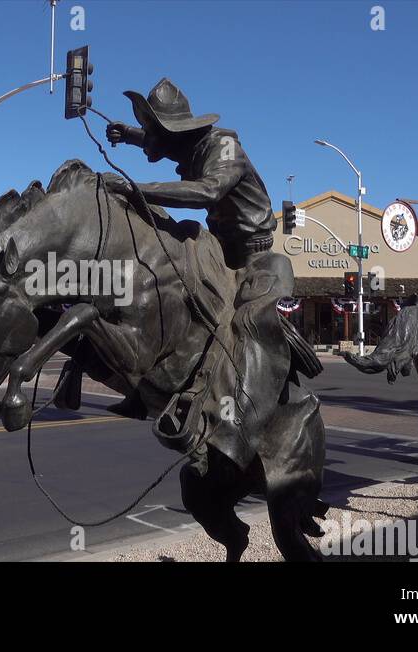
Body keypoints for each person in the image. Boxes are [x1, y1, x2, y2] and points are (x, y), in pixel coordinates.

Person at [97, 78, 316, 439]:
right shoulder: (189, 146)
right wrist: (133, 135)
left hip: (254, 258)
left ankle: (254, 409)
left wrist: (136, 188)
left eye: (154, 130)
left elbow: (208, 190)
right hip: (218, 249)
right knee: (172, 295)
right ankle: (147, 390)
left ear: (173, 131)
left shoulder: (224, 146)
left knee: (247, 328)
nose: (151, 139)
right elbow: (165, 146)